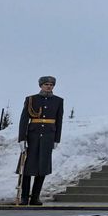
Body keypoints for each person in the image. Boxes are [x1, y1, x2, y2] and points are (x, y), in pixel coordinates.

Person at [16, 75, 63, 206]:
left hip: (48, 136)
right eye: (46, 84)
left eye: (51, 85)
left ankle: (35, 197)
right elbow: (24, 119)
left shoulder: (58, 101)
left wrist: (56, 139)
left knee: (42, 167)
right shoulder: (31, 99)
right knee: (27, 167)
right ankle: (25, 197)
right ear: (41, 85)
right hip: (33, 136)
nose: (49, 86)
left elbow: (59, 121)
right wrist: (22, 138)